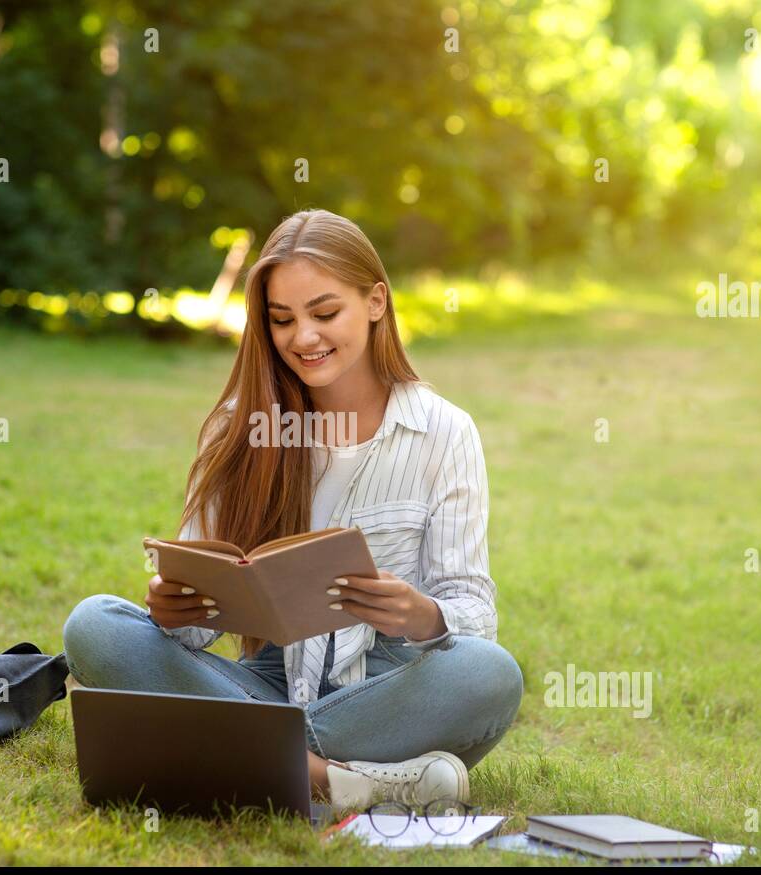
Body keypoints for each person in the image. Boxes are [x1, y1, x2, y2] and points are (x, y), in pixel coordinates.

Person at [63, 208, 523, 813]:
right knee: (94, 625)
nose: (303, 338)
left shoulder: (444, 432)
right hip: (266, 683)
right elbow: (195, 627)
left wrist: (421, 615)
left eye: (325, 313)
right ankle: (340, 781)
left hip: (385, 690)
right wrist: (174, 608)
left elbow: (474, 614)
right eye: (282, 320)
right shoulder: (240, 427)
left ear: (377, 302)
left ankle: (239, 757)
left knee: (491, 674)